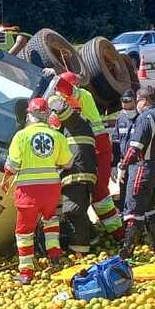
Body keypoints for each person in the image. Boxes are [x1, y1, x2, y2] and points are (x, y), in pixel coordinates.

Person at [2, 97, 73, 283]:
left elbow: (12, 165)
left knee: (24, 231)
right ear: (46, 114)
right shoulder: (57, 136)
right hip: (52, 190)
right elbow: (68, 162)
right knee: (50, 221)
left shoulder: (21, 136)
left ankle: (26, 273)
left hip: (29, 192)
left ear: (29, 114)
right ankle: (55, 256)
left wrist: (5, 179)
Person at [55, 72, 124, 240]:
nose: (59, 100)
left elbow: (68, 93)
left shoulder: (82, 95)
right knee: (82, 193)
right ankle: (96, 233)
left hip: (97, 149)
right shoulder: (69, 108)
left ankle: (118, 234)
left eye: (60, 96)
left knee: (99, 193)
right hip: (87, 150)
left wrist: (55, 80)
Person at [119, 86, 155, 257]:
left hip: (143, 169)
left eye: (137, 101)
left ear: (144, 101)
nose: (136, 104)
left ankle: (128, 249)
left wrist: (123, 166)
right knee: (150, 207)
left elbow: (135, 147)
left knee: (133, 208)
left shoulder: (145, 118)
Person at [52, 91, 97, 255]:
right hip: (74, 177)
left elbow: (61, 108)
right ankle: (92, 238)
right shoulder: (70, 129)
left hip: (78, 176)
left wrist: (52, 97)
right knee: (74, 212)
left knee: (73, 212)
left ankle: (80, 251)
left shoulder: (78, 123)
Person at [112, 90, 139, 210]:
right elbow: (116, 142)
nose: (125, 105)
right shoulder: (121, 118)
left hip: (138, 163)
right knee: (123, 189)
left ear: (135, 101)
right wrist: (113, 165)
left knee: (135, 192)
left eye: (128, 101)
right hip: (124, 163)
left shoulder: (141, 118)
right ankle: (125, 215)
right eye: (123, 101)